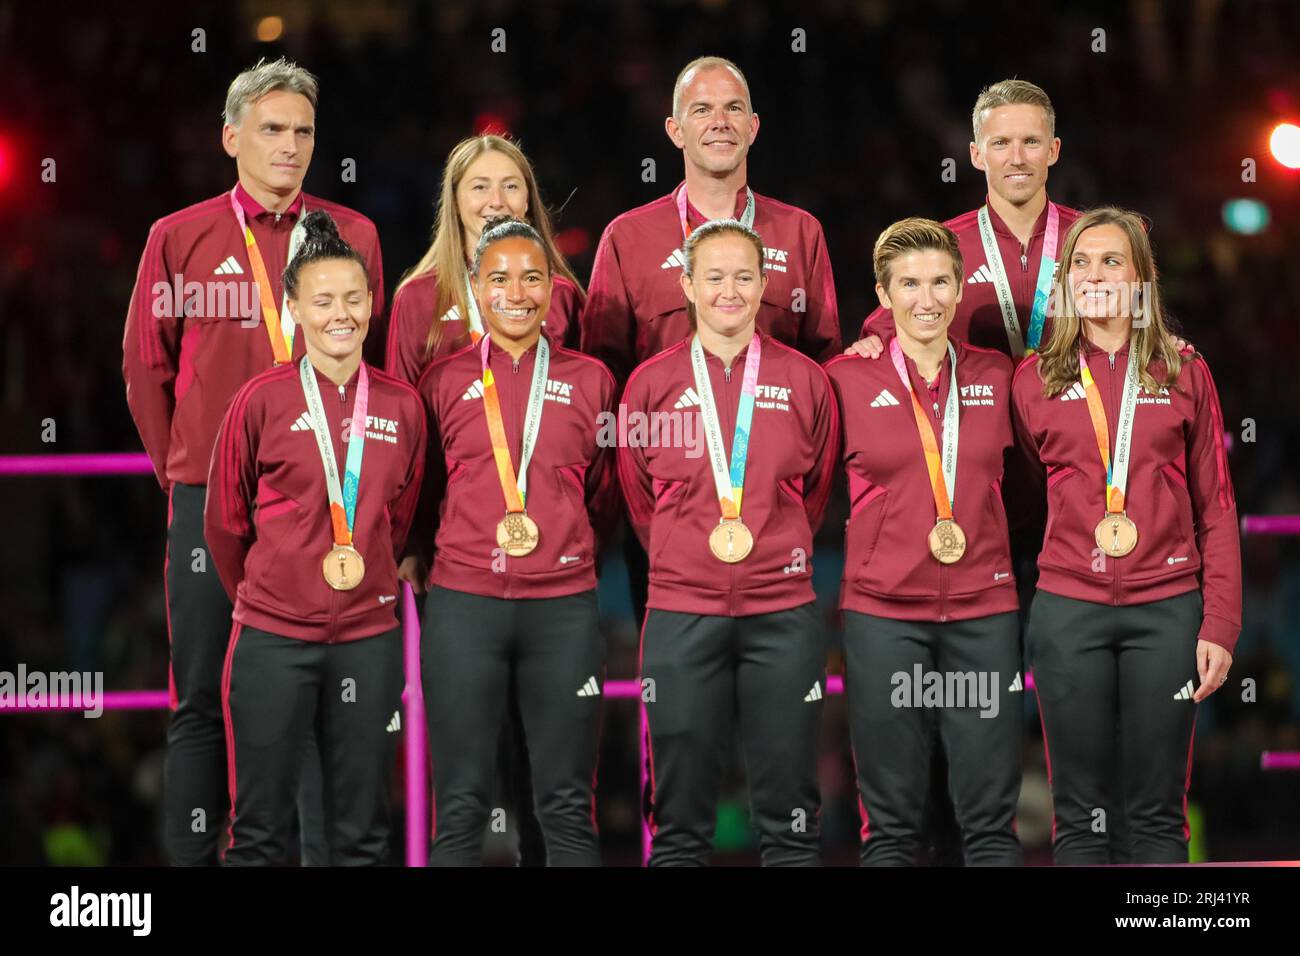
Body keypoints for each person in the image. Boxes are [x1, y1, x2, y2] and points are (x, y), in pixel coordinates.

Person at [121, 57, 384, 866]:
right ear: (231, 136)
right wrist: (187, 473)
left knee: (314, 699)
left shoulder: (354, 234)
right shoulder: (180, 236)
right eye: (272, 129)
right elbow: (144, 367)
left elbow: (371, 369)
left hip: (321, 504)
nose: (290, 146)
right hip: (210, 503)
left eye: (304, 132)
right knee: (201, 696)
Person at [1011, 207, 1240, 864]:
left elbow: (1217, 507)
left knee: (1158, 813)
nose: (1095, 274)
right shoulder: (1035, 380)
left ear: (1142, 277)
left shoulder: (1186, 372)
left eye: (1112, 260)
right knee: (1078, 814)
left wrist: (1219, 624)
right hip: (1068, 610)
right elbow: (1027, 496)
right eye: (1080, 262)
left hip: (1167, 612)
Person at [387, 134, 585, 865]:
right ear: (454, 202)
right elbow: (399, 439)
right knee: (471, 766)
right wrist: (411, 545)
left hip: (553, 569)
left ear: (529, 201)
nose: (495, 201)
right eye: (479, 188)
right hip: (454, 562)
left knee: (549, 766)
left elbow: (587, 431)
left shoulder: (562, 297)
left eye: (510, 187)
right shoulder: (418, 300)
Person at [205, 210, 425, 865]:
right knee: (261, 833)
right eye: (323, 300)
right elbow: (224, 523)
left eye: (354, 299)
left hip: (368, 640)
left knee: (362, 836)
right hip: (274, 639)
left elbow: (402, 512)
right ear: (293, 307)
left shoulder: (401, 405)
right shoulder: (259, 400)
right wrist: (272, 594)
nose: (341, 313)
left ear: (371, 305)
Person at [617, 219, 839, 866]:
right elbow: (638, 498)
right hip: (682, 612)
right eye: (713, 276)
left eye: (744, 276)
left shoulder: (805, 381)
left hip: (783, 611)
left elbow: (816, 488)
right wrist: (686, 556)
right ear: (687, 284)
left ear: (765, 284)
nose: (729, 290)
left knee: (792, 820)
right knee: (680, 823)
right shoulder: (649, 385)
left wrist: (772, 543)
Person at [413, 218, 616, 866]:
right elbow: (423, 490)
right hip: (463, 606)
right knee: (462, 807)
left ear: (553, 287)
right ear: (475, 285)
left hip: (563, 607)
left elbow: (608, 496)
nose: (517, 291)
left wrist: (568, 547)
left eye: (533, 277)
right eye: (498, 277)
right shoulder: (441, 382)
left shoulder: (594, 382)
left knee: (564, 806)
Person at [824, 219, 1022, 866]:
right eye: (908, 284)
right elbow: (795, 486)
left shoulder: (1000, 375)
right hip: (883, 614)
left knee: (991, 823)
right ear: (883, 295)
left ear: (962, 287)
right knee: (891, 825)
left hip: (984, 612)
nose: (927, 298)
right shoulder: (843, 380)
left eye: (940, 281)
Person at [583, 55, 841, 384]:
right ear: (675, 131)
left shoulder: (800, 232)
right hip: (670, 434)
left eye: (733, 108)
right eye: (702, 109)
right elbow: (601, 377)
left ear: (753, 127)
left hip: (773, 434)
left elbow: (824, 365)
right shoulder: (627, 237)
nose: (720, 122)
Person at [848, 79, 1079, 360]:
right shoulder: (943, 245)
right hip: (971, 403)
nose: (1017, 158)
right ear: (977, 155)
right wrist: (872, 342)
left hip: (1079, 403)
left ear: (1053, 150)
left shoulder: (1095, 239)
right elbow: (880, 331)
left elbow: (1142, 329)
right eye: (1001, 143)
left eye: (1031, 142)